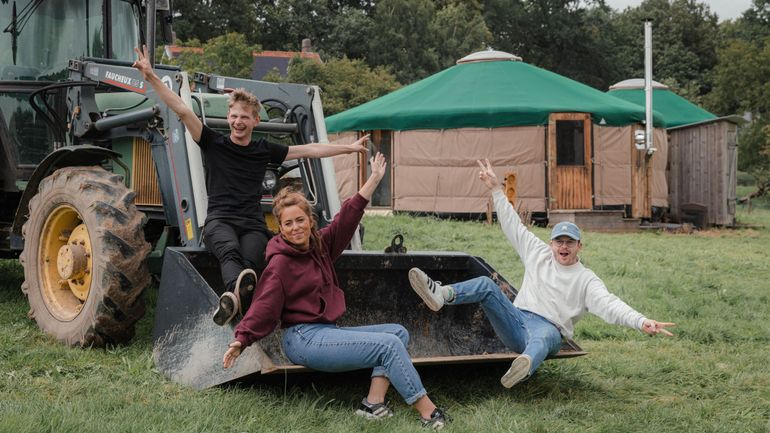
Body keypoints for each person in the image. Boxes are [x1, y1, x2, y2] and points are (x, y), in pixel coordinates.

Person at [132, 46, 368, 325]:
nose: (238, 121)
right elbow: (182, 110)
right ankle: (236, 298)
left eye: (244, 116)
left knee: (254, 257)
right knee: (229, 250)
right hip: (220, 220)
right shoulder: (213, 143)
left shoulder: (263, 150)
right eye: (234, 116)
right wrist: (151, 77)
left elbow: (309, 150)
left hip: (252, 223)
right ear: (228, 118)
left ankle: (235, 303)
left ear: (255, 120)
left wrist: (347, 149)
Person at [223, 153, 451, 429]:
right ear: (280, 228)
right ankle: (429, 413)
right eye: (288, 223)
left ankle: (373, 403)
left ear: (310, 220)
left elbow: (347, 217)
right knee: (388, 346)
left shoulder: (319, 246)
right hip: (303, 339)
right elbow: (265, 305)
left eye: (299, 220)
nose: (295, 228)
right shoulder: (280, 263)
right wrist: (241, 338)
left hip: (326, 331)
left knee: (397, 333)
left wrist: (374, 180)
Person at [408, 158, 675, 389]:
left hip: (549, 330)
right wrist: (496, 190)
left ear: (579, 246)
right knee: (486, 285)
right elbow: (513, 226)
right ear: (551, 243)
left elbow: (609, 304)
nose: (563, 247)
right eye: (559, 241)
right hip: (515, 320)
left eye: (570, 243)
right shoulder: (538, 253)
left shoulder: (585, 279)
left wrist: (641, 321)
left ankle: (523, 365)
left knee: (544, 336)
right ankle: (441, 293)